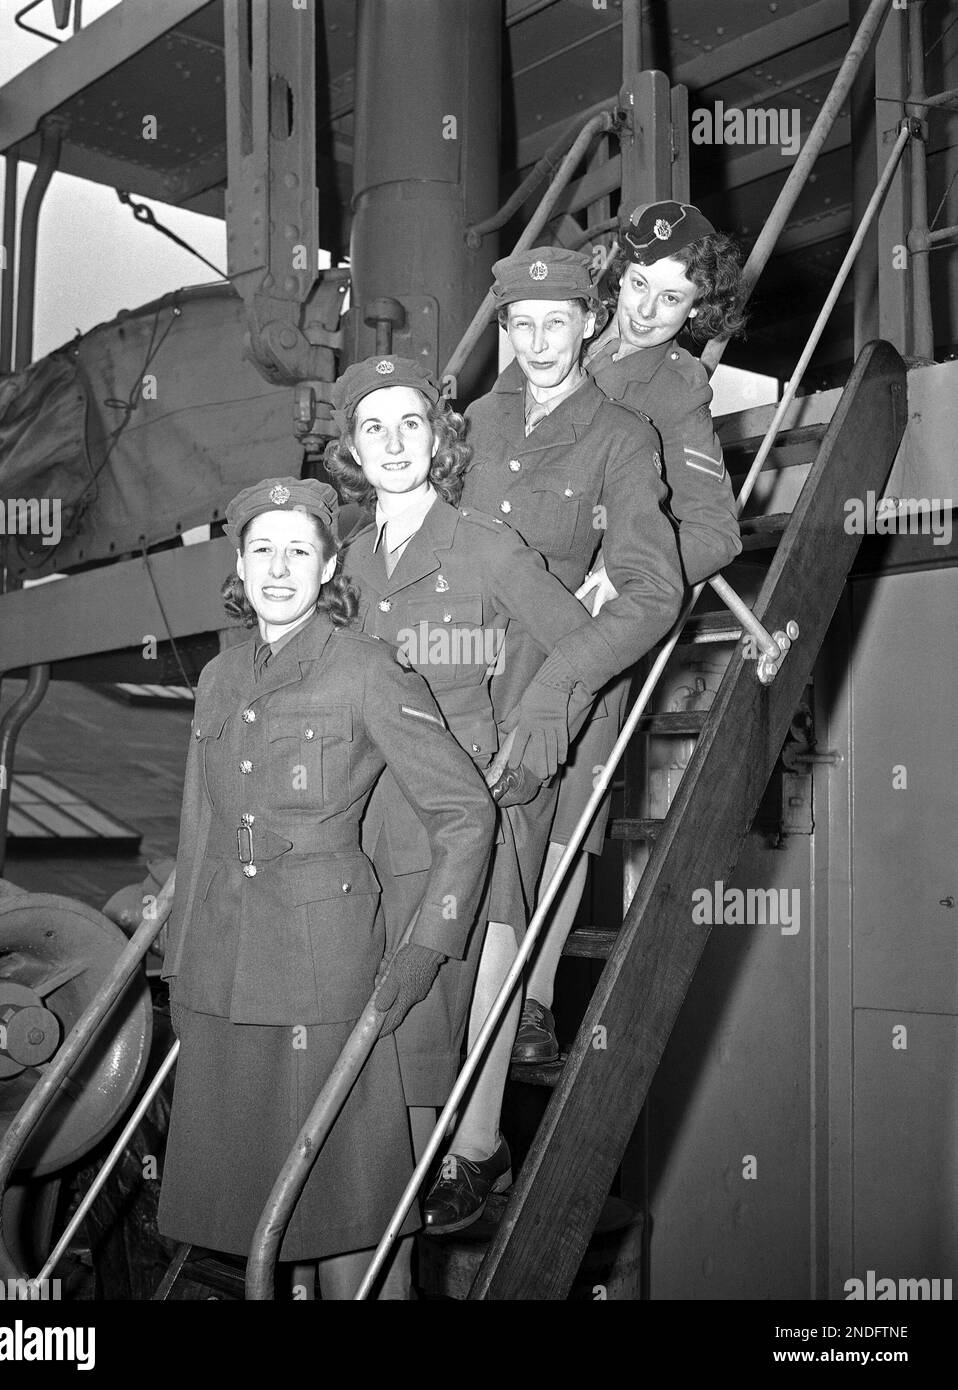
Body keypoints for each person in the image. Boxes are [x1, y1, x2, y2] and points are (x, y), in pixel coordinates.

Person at [157, 476, 495, 1298]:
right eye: (262, 549)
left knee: (353, 1226)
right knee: (256, 1228)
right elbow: (199, 828)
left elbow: (465, 811)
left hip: (325, 981)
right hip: (223, 978)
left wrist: (426, 948)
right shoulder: (219, 678)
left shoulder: (367, 670)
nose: (279, 568)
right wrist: (179, 964)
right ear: (239, 564)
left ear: (328, 564)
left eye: (299, 551)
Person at [421, 246, 684, 1231]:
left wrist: (563, 685)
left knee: (499, 913)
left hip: (551, 696)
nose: (535, 343)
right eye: (517, 325)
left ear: (588, 321)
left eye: (554, 322)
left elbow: (654, 587)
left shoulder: (623, 437)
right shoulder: (470, 424)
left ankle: (477, 1145)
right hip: (455, 683)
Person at [326, 354, 601, 1223]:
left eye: (411, 423)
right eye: (374, 427)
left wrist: (535, 744)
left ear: (441, 438)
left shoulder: (485, 546)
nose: (394, 443)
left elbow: (581, 645)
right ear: (353, 451)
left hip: (475, 794)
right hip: (372, 805)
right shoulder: (343, 564)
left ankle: (477, 1151)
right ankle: (390, 1158)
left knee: (485, 975)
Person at [515, 205, 747, 1066]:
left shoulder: (677, 390)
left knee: (568, 812)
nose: (648, 311)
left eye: (675, 300)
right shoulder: (559, 343)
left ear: (698, 313)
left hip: (586, 627)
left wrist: (627, 566)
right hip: (507, 613)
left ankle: (530, 1003)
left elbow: (715, 533)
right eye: (641, 286)